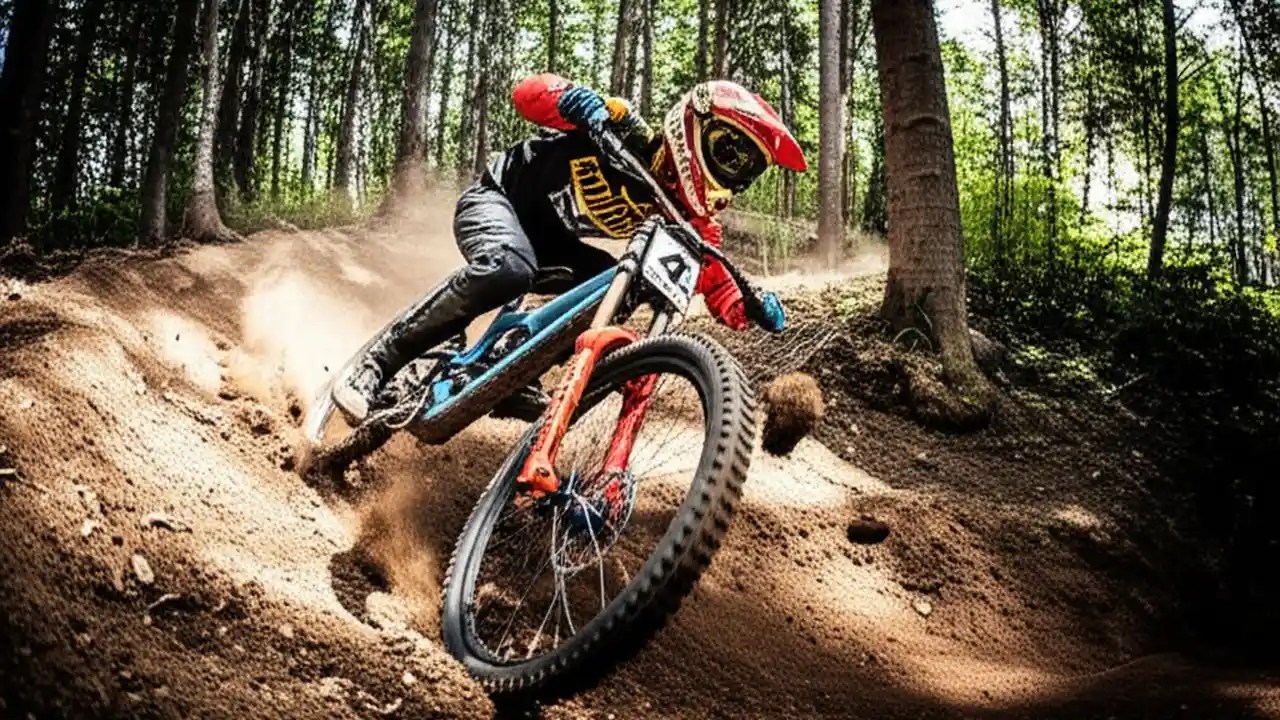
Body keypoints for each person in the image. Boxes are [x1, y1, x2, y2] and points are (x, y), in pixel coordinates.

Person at [332, 73, 809, 423]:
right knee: (507, 269)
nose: (732, 174)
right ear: (695, 126)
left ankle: (509, 375)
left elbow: (714, 278)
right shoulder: (622, 125)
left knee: (617, 292)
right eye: (729, 153)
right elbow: (527, 94)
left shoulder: (690, 216)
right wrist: (576, 101)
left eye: (744, 171)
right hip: (498, 199)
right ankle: (377, 363)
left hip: (551, 243)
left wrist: (748, 306)